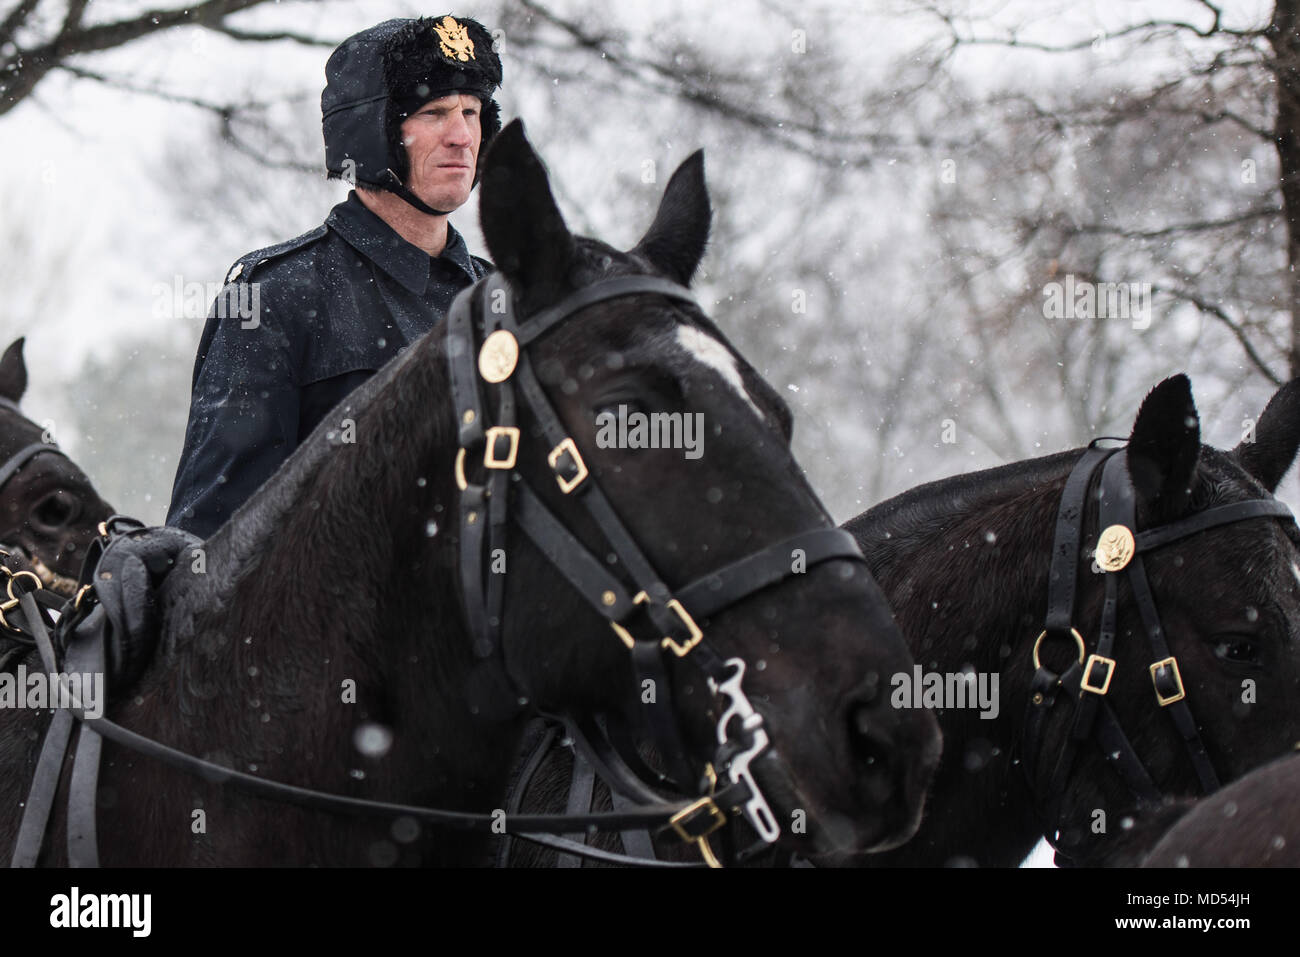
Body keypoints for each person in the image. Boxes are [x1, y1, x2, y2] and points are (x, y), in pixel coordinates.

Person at [166, 15, 502, 538]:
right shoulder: (274, 297)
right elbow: (210, 543)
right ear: (373, 136)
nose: (462, 135)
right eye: (435, 112)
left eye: (472, 112)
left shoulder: (508, 302)